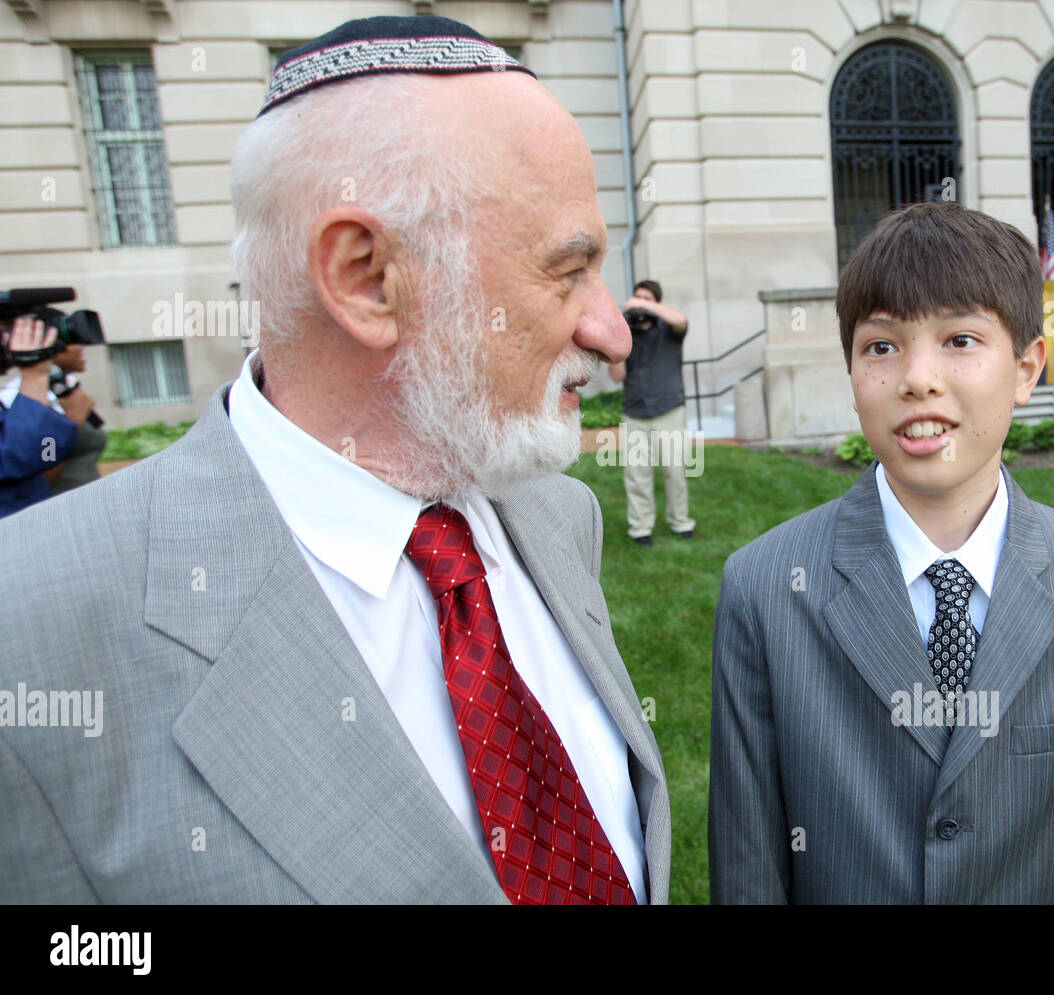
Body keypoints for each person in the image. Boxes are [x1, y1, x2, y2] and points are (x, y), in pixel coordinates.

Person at [0, 15, 669, 905]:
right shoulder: (30, 629)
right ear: (365, 278)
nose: (610, 330)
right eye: (564, 272)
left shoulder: (556, 514)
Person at [709, 202, 1054, 903]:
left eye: (959, 338)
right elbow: (748, 862)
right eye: (882, 346)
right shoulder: (766, 588)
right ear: (853, 372)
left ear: (1026, 367)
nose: (918, 377)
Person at [609, 280, 694, 546]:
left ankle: (680, 522)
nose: (640, 304)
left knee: (675, 471)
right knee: (637, 475)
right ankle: (640, 528)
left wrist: (645, 305)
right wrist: (619, 339)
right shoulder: (628, 334)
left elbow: (681, 319)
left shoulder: (669, 330)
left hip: (668, 410)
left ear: (655, 303)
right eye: (637, 298)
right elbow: (616, 376)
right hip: (634, 413)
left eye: (646, 299)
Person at [0, 317, 85, 518]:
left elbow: (48, 453)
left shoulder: (55, 388)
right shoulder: (19, 393)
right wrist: (35, 375)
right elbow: (37, 456)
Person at [0, 338, 105, 496]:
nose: (81, 346)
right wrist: (73, 422)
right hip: (55, 507)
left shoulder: (63, 386)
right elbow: (38, 463)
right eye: (70, 340)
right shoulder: (20, 396)